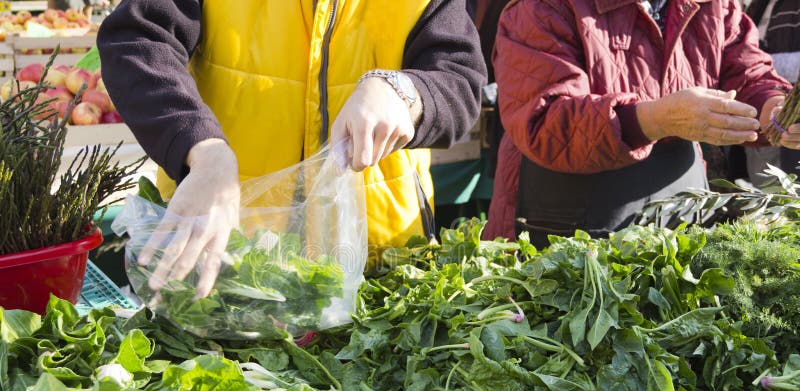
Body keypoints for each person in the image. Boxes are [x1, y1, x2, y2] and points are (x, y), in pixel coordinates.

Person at [97, 1, 486, 296]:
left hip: (379, 268)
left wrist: (404, 93)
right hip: (225, 262)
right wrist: (202, 149)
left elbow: (459, 79)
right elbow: (137, 41)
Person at [483, 0, 800, 246]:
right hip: (562, 231)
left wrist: (774, 112)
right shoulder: (543, 7)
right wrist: (657, 119)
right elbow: (546, 124)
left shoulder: (712, 4)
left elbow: (746, 73)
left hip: (677, 222)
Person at [744, 0, 800, 185]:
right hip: (763, 115)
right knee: (764, 193)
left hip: (791, 122)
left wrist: (756, 64)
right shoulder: (760, 5)